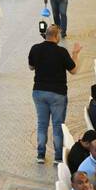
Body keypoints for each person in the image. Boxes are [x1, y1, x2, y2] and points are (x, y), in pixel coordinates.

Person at [28, 24, 81, 164]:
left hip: (39, 91)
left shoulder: (35, 48)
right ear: (57, 36)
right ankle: (58, 157)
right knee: (58, 125)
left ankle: (40, 155)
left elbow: (31, 67)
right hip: (58, 94)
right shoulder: (61, 52)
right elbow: (74, 70)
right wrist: (75, 53)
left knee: (42, 123)